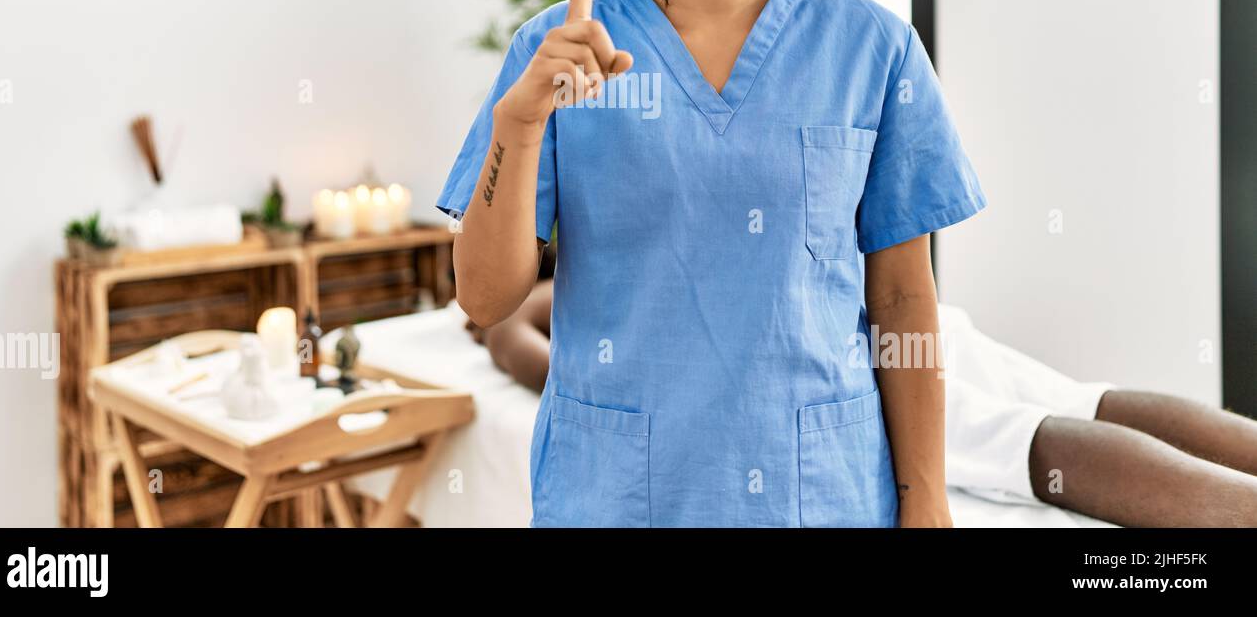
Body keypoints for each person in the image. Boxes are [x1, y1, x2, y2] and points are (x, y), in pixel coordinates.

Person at [437, 0, 987, 527]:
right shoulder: (555, 52)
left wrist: (927, 497)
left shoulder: (873, 49)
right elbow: (485, 301)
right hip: (616, 496)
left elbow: (903, 300)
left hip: (820, 492)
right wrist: (518, 128)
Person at [465, 285, 1257, 527]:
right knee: (1089, 402)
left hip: (841, 359)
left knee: (1026, 445)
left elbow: (519, 346)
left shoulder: (579, 287)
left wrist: (496, 322)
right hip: (902, 322)